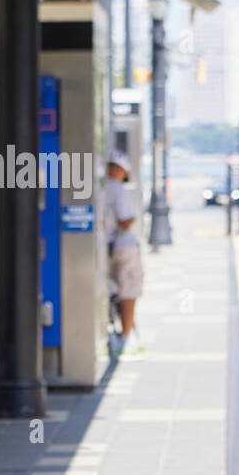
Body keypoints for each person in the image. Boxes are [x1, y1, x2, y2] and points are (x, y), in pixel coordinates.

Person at [104, 149, 144, 356]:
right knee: (129, 289)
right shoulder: (118, 189)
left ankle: (121, 331)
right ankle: (127, 335)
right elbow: (126, 219)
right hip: (123, 244)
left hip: (106, 245)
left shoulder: (99, 188)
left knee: (113, 289)